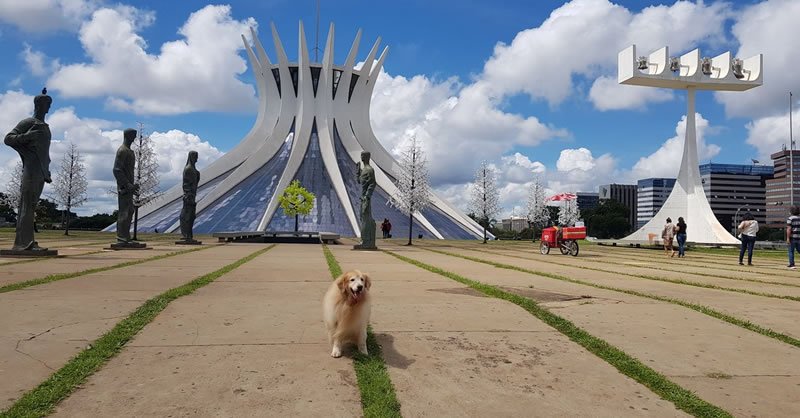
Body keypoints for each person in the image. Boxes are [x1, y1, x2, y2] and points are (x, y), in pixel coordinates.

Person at [4, 88, 53, 251]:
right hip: (31, 169)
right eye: (46, 104)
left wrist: (46, 168)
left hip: (40, 170)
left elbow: (44, 152)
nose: (48, 107)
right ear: (38, 104)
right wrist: (27, 136)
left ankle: (27, 241)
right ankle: (23, 243)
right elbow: (8, 139)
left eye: (49, 104)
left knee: (31, 205)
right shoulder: (28, 123)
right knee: (26, 205)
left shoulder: (45, 126)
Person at [114, 128, 140, 244]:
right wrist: (127, 184)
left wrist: (133, 186)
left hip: (129, 186)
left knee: (129, 211)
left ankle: (126, 236)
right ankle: (121, 238)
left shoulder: (130, 151)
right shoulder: (122, 151)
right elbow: (117, 170)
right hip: (124, 187)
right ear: (127, 136)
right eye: (133, 136)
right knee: (124, 211)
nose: (134, 138)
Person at [179, 151, 200, 243]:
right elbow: (186, 185)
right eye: (195, 157)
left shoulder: (195, 171)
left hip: (192, 195)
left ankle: (189, 235)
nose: (197, 159)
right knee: (186, 216)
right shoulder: (188, 169)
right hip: (189, 197)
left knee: (191, 216)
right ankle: (185, 235)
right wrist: (188, 195)